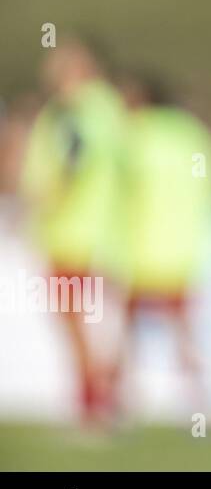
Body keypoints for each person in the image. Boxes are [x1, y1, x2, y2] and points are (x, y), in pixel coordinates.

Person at [19, 40, 127, 427]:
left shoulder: (74, 109)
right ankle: (106, 397)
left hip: (71, 234)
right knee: (99, 324)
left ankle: (93, 403)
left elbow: (73, 159)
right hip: (101, 235)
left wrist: (47, 199)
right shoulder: (108, 108)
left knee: (76, 324)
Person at [107, 75, 211, 419]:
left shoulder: (130, 135)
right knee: (185, 336)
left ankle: (121, 406)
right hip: (182, 251)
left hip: (138, 250)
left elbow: (115, 191)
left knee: (125, 335)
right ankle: (198, 407)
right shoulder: (192, 133)